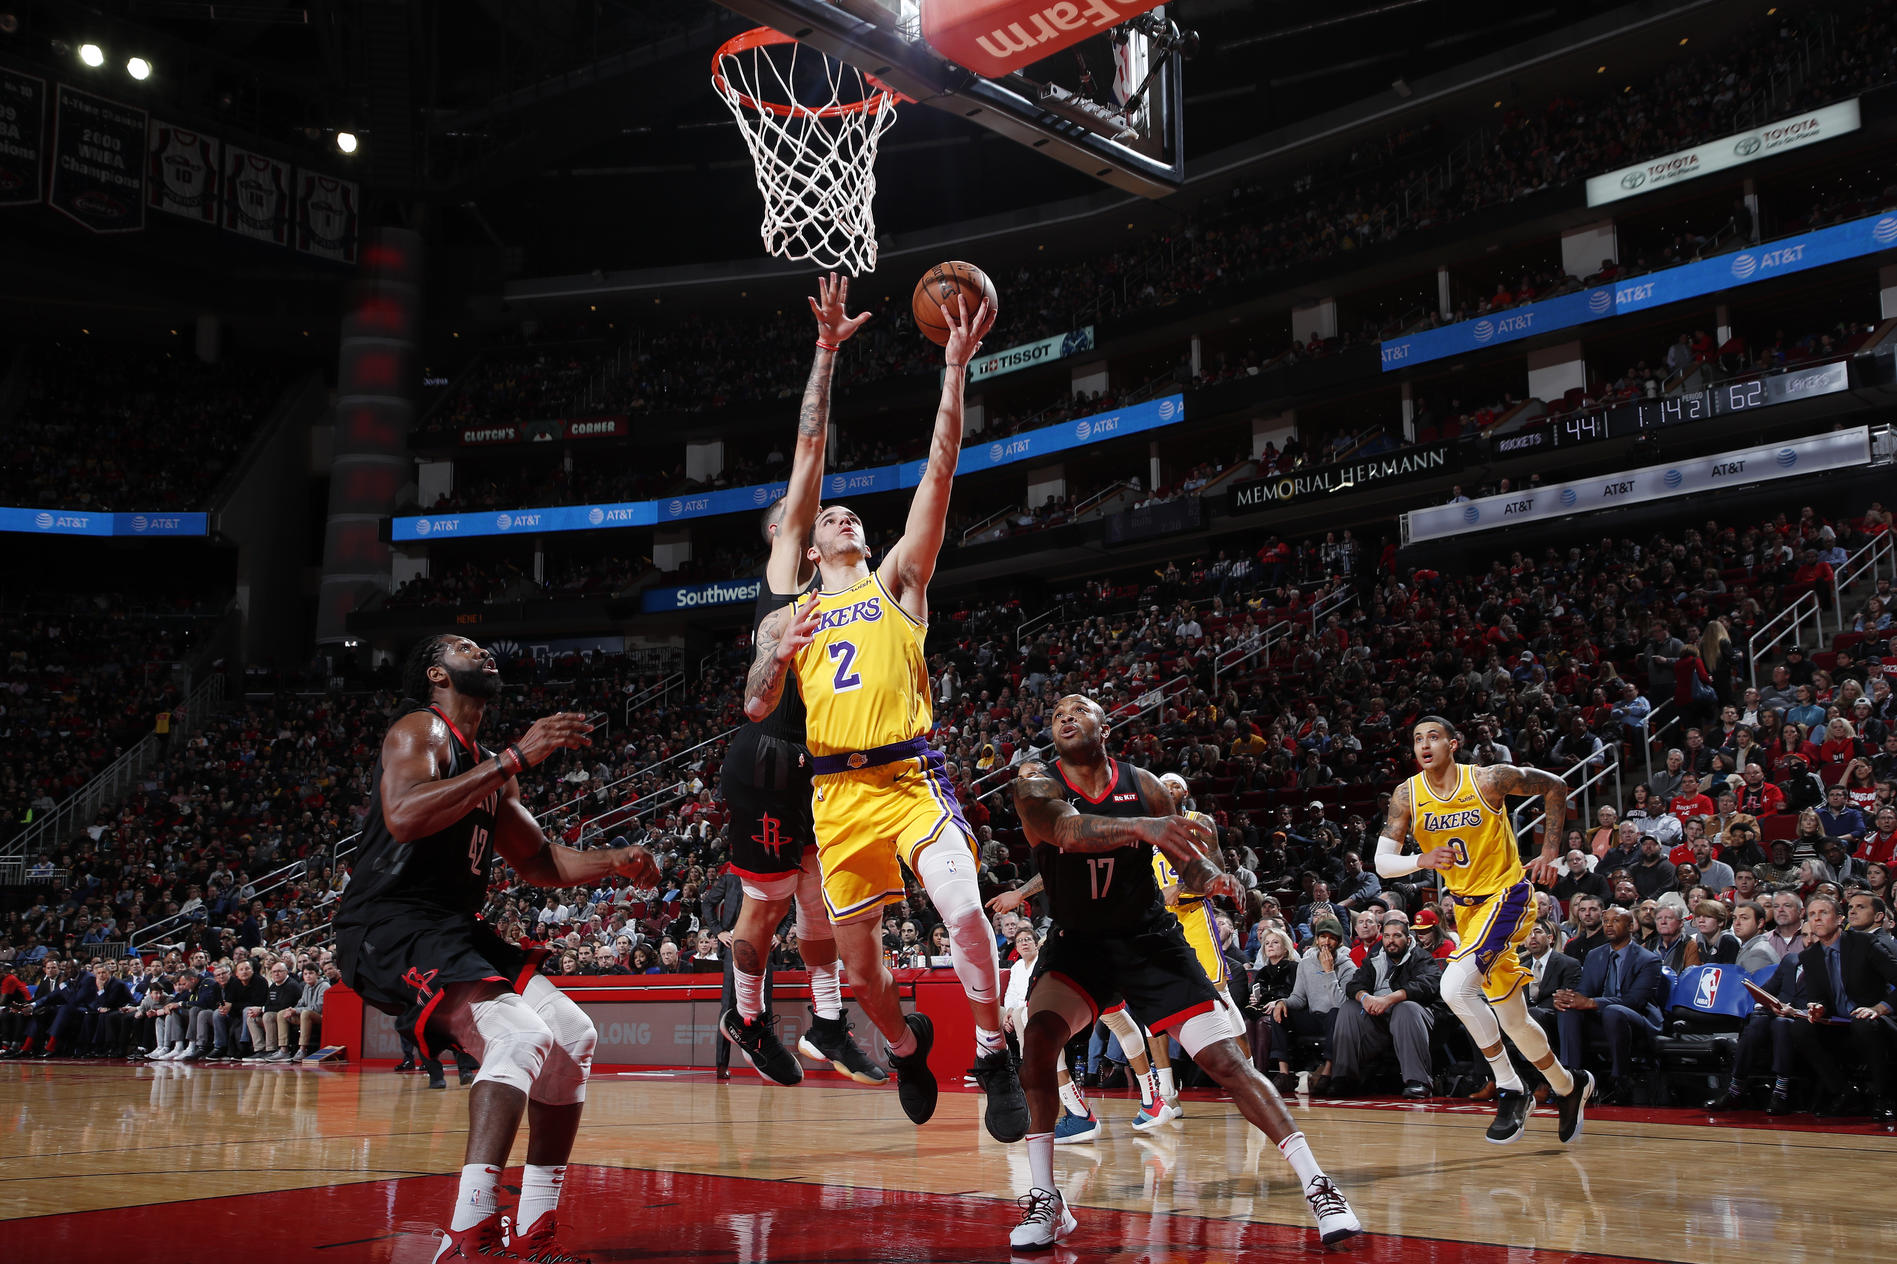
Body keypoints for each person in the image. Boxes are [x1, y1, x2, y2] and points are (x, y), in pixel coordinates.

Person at [743, 291, 1030, 1143]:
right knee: (861, 971)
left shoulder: (897, 580)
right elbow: (756, 703)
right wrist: (778, 650)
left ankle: (992, 1050)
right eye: (829, 515)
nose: (841, 515)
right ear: (808, 539)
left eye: (848, 514)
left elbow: (938, 472)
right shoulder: (787, 605)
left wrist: (951, 372)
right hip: (834, 800)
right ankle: (906, 1048)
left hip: (909, 777)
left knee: (965, 910)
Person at [333, 634, 663, 1262]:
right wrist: (514, 757)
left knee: (572, 1035)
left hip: (452, 925)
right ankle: (470, 1234)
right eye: (464, 647)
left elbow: (539, 862)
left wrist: (612, 860)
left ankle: (535, 1233)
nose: (483, 652)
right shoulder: (418, 731)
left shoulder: (489, 767)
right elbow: (402, 815)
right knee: (520, 1038)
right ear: (436, 672)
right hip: (387, 925)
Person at [1005, 693, 1359, 1250]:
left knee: (1227, 1061)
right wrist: (1146, 828)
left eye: (1079, 709)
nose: (1066, 717)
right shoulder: (1034, 780)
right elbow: (1069, 833)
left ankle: (1320, 1186)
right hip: (1078, 945)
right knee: (1039, 1037)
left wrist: (1212, 876)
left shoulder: (1142, 783)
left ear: (1105, 725)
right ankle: (1047, 1198)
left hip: (1149, 941)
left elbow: (1190, 869)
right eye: (1056, 714)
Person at [717, 275, 882, 1090]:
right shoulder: (786, 574)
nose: (820, 508)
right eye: (805, 513)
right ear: (791, 538)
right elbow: (810, 447)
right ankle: (745, 1014)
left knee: (821, 906)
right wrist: (825, 353)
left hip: (824, 762)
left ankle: (824, 1020)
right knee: (768, 909)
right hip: (769, 754)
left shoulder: (854, 591)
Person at [1375, 716, 1590, 1143]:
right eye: (1417, 739)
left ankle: (1511, 1086)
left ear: (1453, 744)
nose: (1424, 745)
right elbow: (1383, 863)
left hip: (1507, 897)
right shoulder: (1407, 795)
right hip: (1469, 913)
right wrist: (1422, 860)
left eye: (1433, 737)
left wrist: (1549, 851)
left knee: (1454, 986)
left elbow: (1555, 786)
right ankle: (1569, 1086)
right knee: (1514, 1019)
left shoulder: (1489, 779)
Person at [1788, 893, 1897, 1121]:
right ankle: (1843, 1091)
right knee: (1799, 1027)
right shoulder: (1810, 956)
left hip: (1874, 1022)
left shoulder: (1863, 943)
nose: (1816, 919)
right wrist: (1817, 1008)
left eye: (1823, 913)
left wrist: (1880, 1007)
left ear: (1839, 919)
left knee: (1863, 1023)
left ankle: (1882, 1096)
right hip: (1839, 1023)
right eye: (1812, 914)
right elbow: (1821, 999)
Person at [1553, 906, 1666, 1103]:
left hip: (1637, 1021)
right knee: (1568, 1009)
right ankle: (1573, 1078)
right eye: (1606, 921)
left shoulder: (1649, 959)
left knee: (1614, 1011)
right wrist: (1569, 998)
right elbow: (1585, 992)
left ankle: (1620, 1080)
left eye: (1616, 921)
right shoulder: (1595, 955)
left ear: (1631, 926)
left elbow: (1635, 1002)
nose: (1609, 925)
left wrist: (1591, 1002)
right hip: (1603, 1017)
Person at [1328, 910, 1444, 1099]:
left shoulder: (1420, 957)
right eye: (1387, 936)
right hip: (1380, 1018)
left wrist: (1389, 999)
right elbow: (1354, 985)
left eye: (1397, 936)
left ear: (1407, 939)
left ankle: (1418, 1081)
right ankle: (1344, 1078)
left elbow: (1426, 986)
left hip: (1418, 1016)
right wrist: (1366, 998)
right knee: (1348, 1009)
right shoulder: (1375, 957)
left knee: (1405, 1009)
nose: (1391, 941)